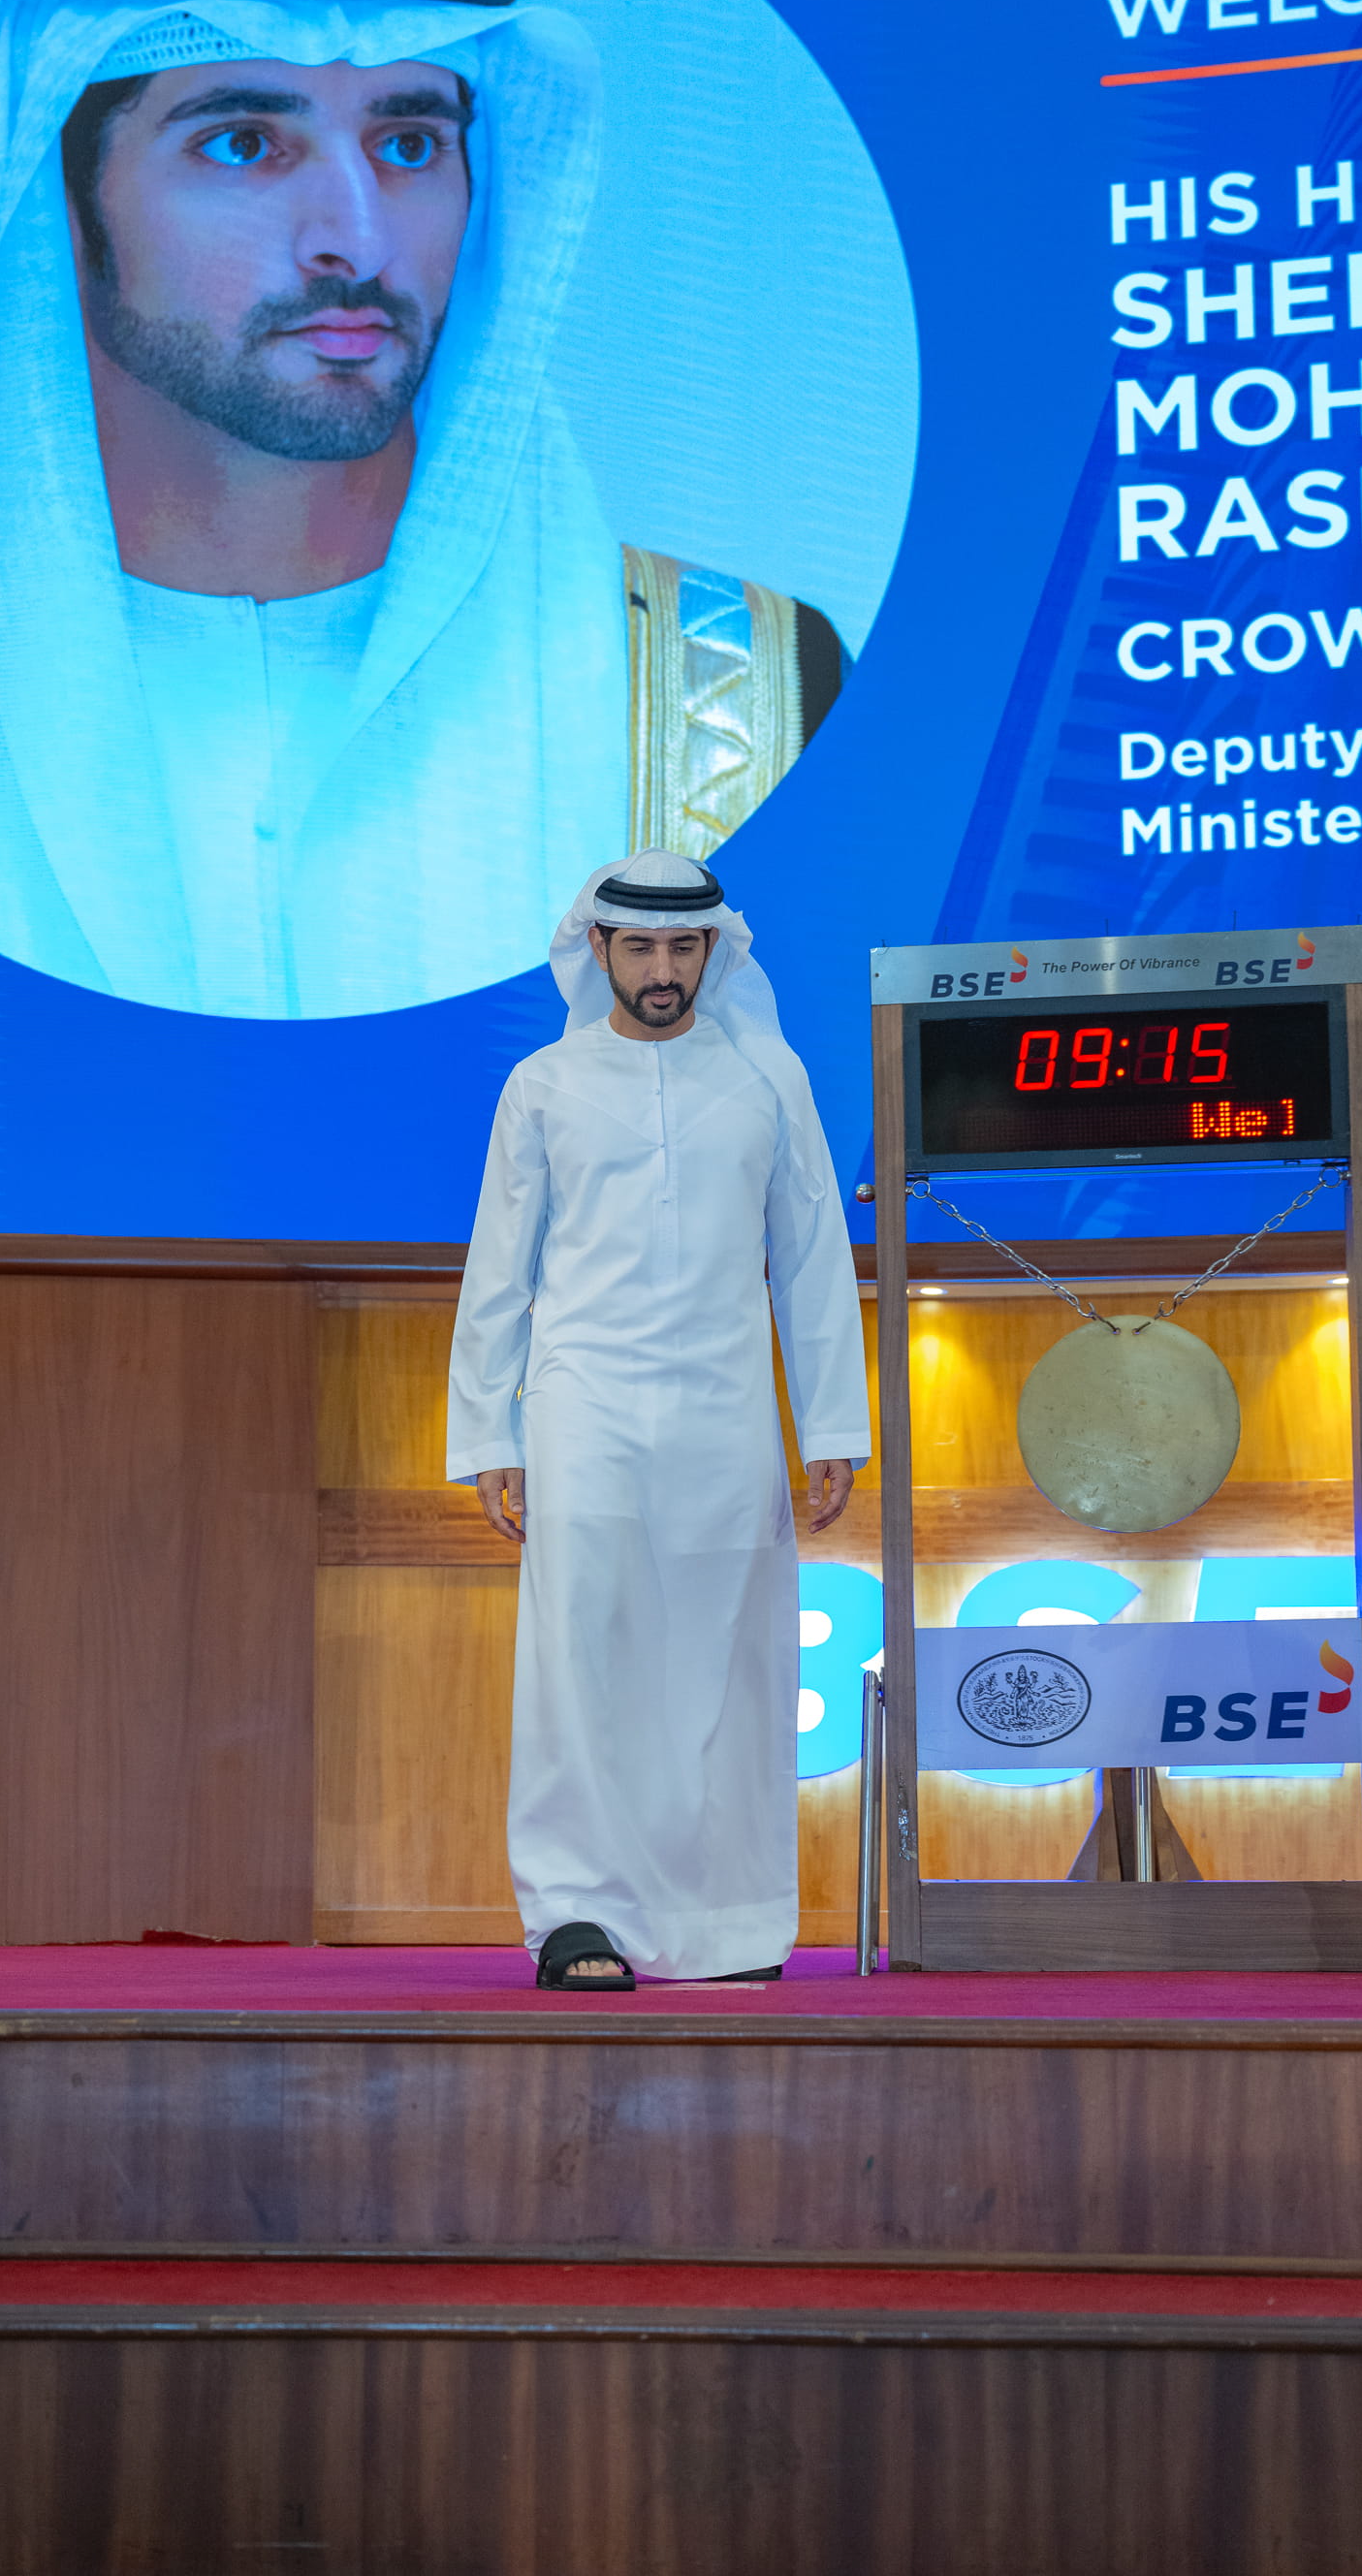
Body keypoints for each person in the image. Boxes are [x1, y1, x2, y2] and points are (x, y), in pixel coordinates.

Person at [0, 0, 844, 1019]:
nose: (356, 239)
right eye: (243, 144)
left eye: (407, 145)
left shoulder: (742, 692)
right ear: (61, 208)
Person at [445, 849, 870, 1987]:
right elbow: (500, 1271)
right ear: (599, 950)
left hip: (726, 1404)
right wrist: (487, 1435)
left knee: (729, 1658)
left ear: (713, 950)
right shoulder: (541, 1083)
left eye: (684, 947)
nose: (663, 969)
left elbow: (812, 1253)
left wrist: (830, 1422)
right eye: (640, 947)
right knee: (582, 1650)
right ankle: (575, 1914)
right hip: (581, 1401)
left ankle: (725, 1923)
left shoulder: (767, 1081)